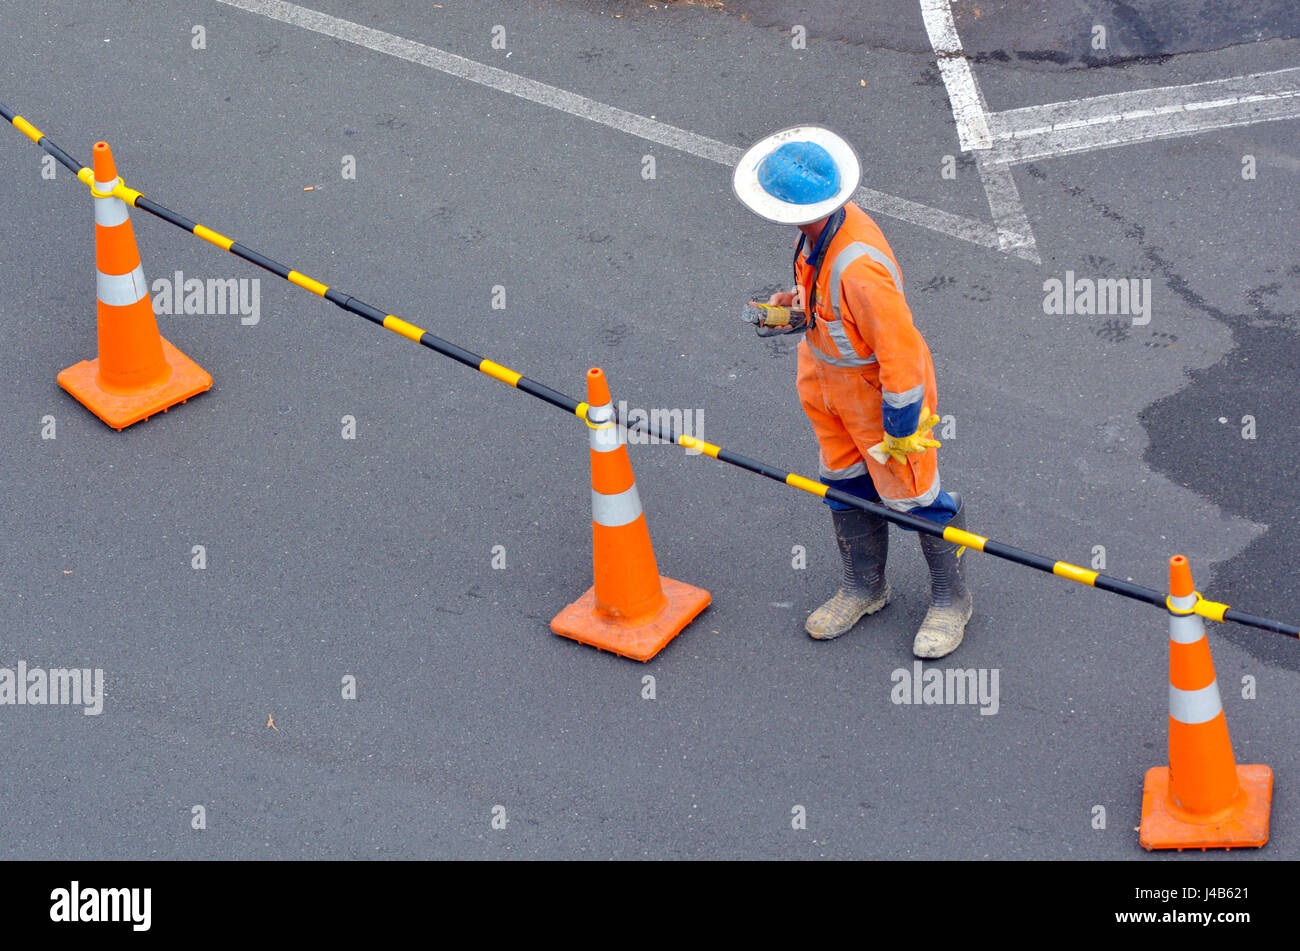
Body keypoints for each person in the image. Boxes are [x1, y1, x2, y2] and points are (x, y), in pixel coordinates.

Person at [732, 126, 972, 658]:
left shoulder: (858, 265)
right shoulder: (817, 233)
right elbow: (828, 304)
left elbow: (900, 352)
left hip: (875, 392)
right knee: (844, 482)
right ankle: (865, 586)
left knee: (913, 494)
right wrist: (797, 309)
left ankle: (951, 597)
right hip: (827, 381)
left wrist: (902, 427)